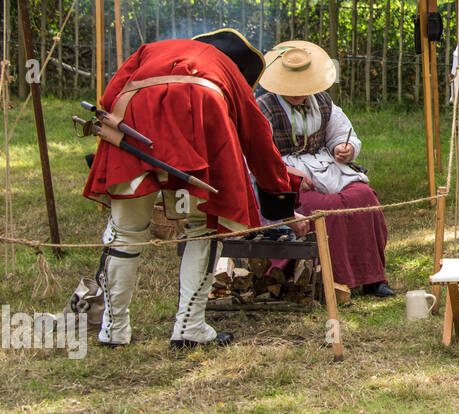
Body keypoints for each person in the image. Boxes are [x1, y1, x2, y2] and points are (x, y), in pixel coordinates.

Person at [83, 28, 302, 348]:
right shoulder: (229, 75)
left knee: (125, 231)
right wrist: (278, 196)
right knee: (202, 227)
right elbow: (258, 141)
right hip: (201, 112)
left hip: (135, 114)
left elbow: (108, 98)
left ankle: (113, 330)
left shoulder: (152, 48)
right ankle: (189, 327)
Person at [256, 40, 393, 297]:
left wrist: (345, 147)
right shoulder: (264, 108)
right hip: (286, 173)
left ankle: (372, 278)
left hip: (326, 167)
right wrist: (287, 173)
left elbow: (342, 133)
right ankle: (326, 280)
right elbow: (256, 154)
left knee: (364, 198)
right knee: (316, 209)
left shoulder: (323, 101)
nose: (298, 91)